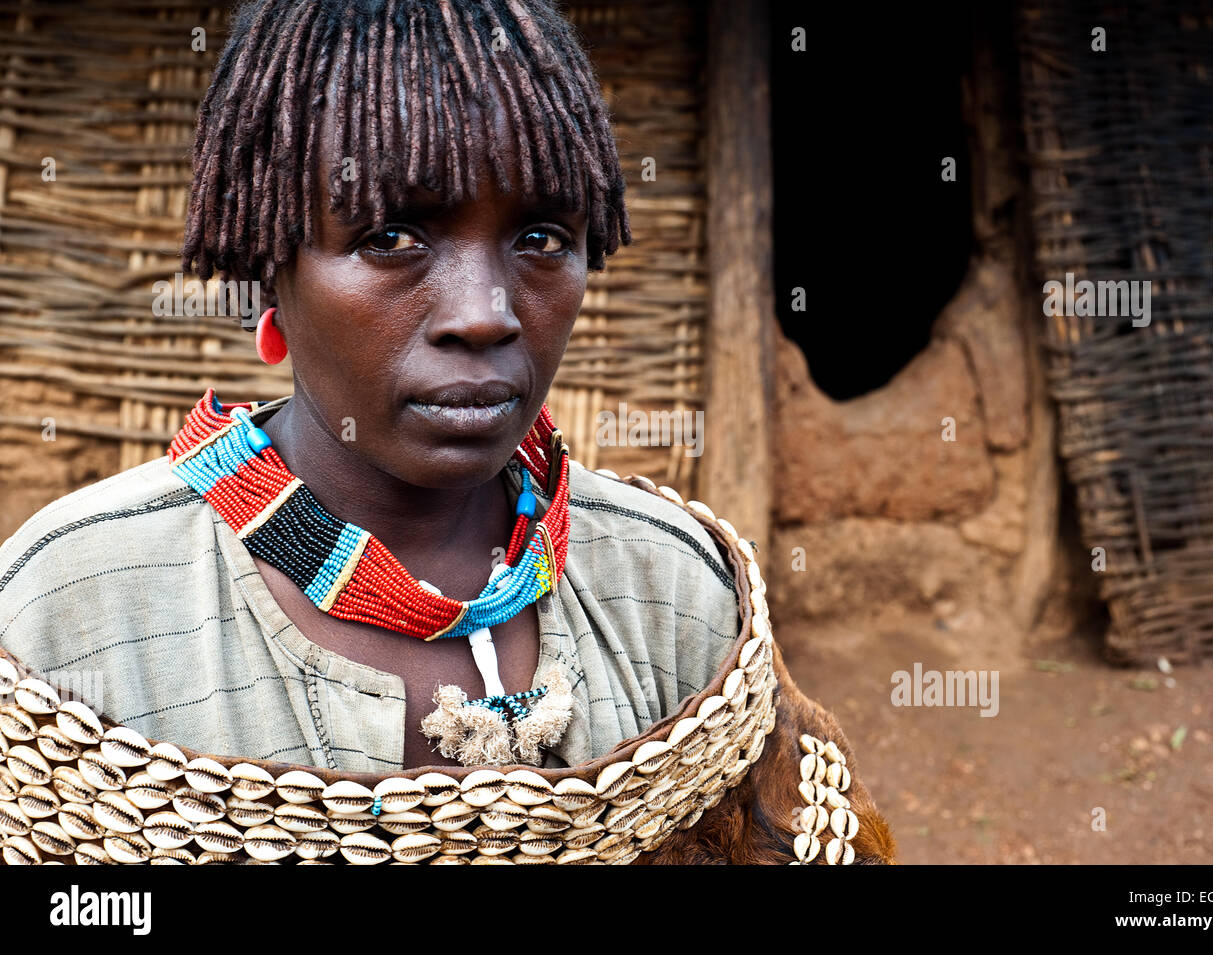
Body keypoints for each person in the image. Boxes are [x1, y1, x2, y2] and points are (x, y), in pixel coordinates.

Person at [0, 0, 894, 864]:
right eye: (391, 236)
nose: (484, 314)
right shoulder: (71, 612)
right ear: (271, 268)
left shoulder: (675, 595)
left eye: (543, 237)